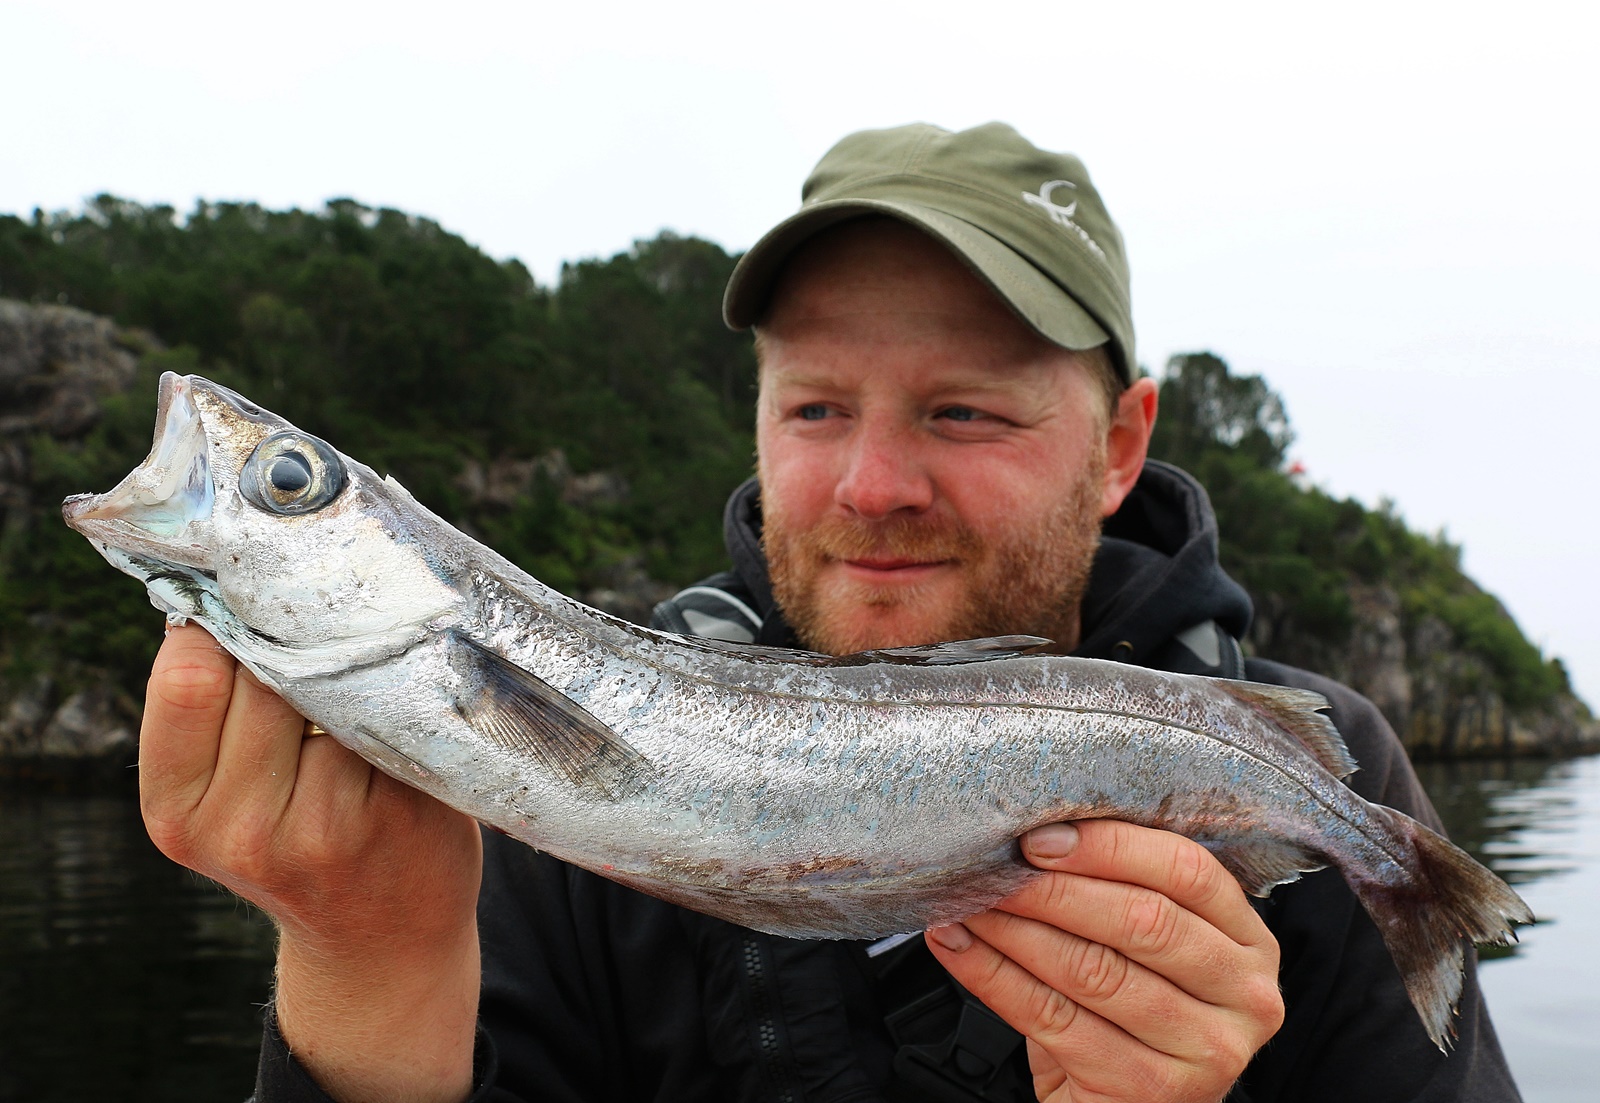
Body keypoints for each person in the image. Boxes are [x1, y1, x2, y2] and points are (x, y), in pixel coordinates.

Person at [139, 123, 1522, 1103]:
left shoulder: (1324, 773)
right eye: (813, 408)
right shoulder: (522, 834)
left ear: (1119, 447)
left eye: (963, 409)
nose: (871, 486)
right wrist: (363, 971)